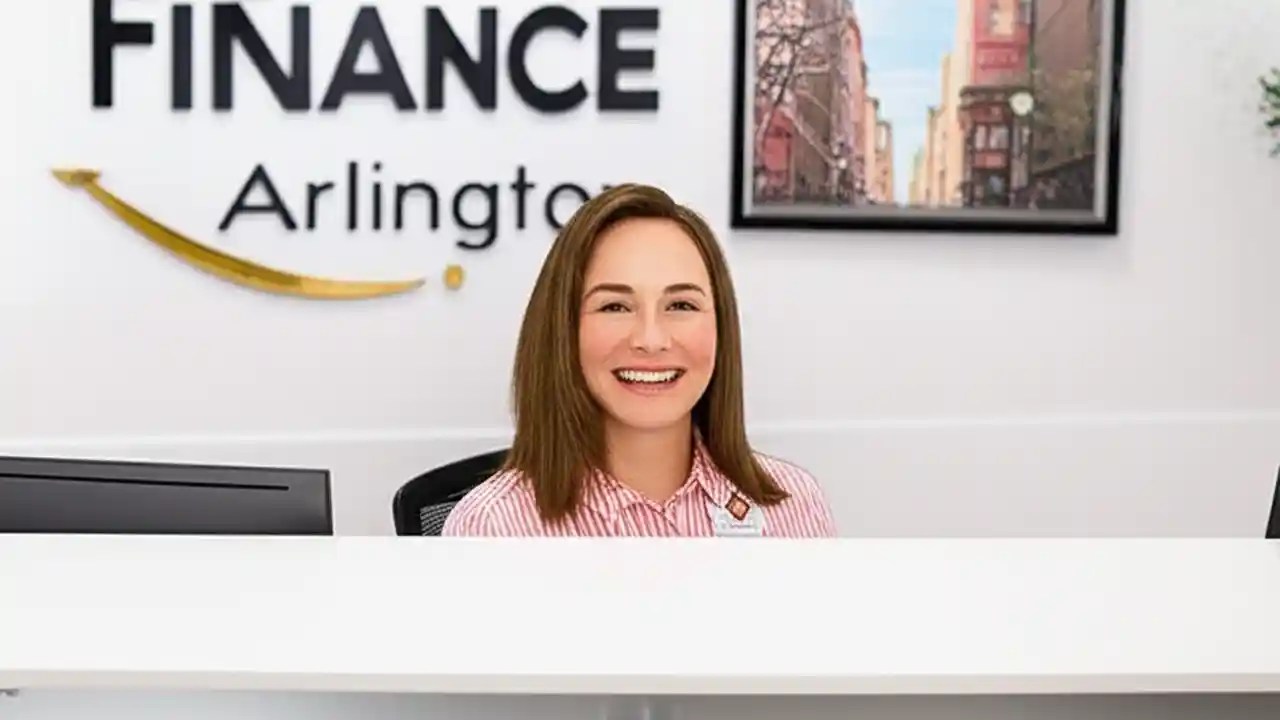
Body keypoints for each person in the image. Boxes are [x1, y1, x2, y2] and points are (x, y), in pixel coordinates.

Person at [441, 183, 836, 537]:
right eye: (615, 306)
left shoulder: (794, 506)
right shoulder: (492, 528)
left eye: (681, 304)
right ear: (564, 330)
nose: (651, 339)